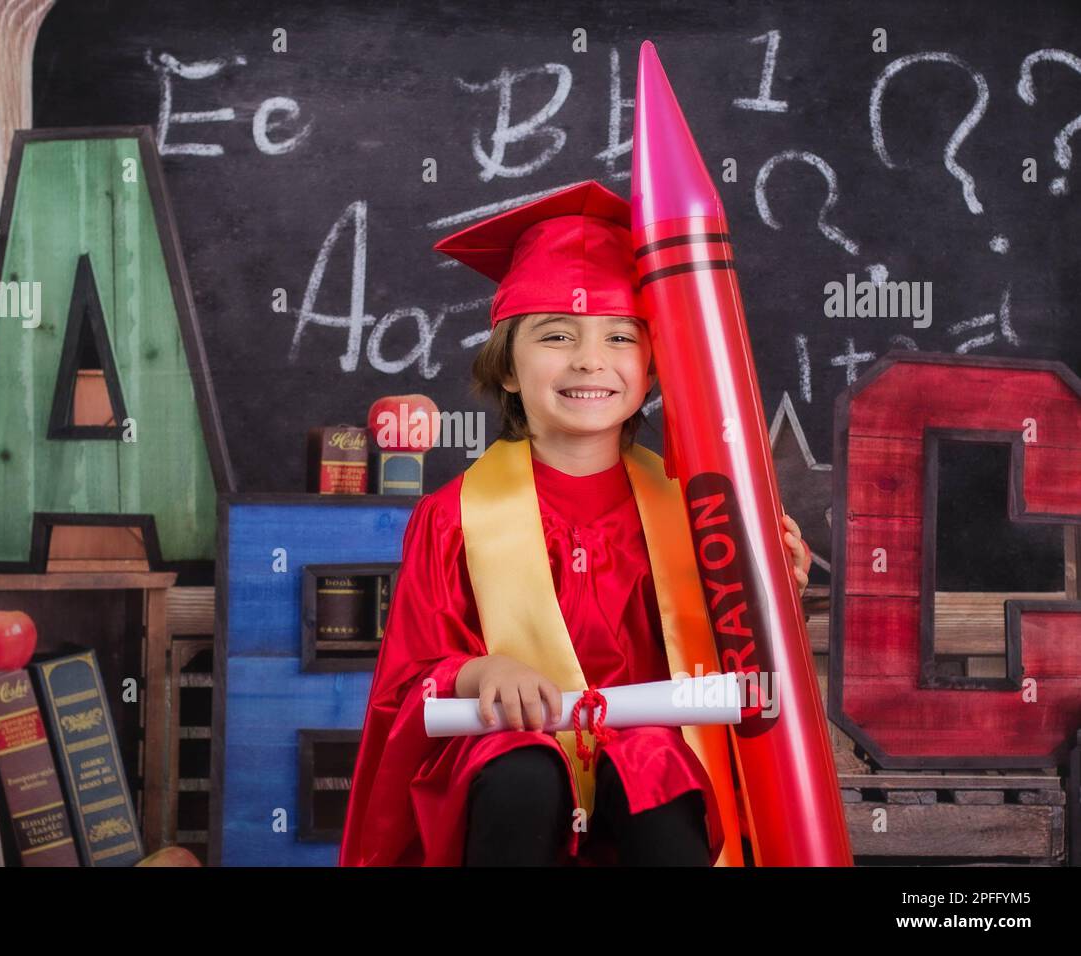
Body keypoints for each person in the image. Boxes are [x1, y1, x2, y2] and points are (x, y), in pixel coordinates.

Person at [338, 181, 810, 867]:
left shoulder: (695, 513)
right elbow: (408, 687)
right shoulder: (453, 518)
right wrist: (477, 672)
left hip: (659, 769)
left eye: (621, 335)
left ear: (651, 368)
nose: (590, 360)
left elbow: (739, 670)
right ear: (506, 367)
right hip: (509, 770)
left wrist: (770, 599)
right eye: (556, 335)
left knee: (652, 763)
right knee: (522, 772)